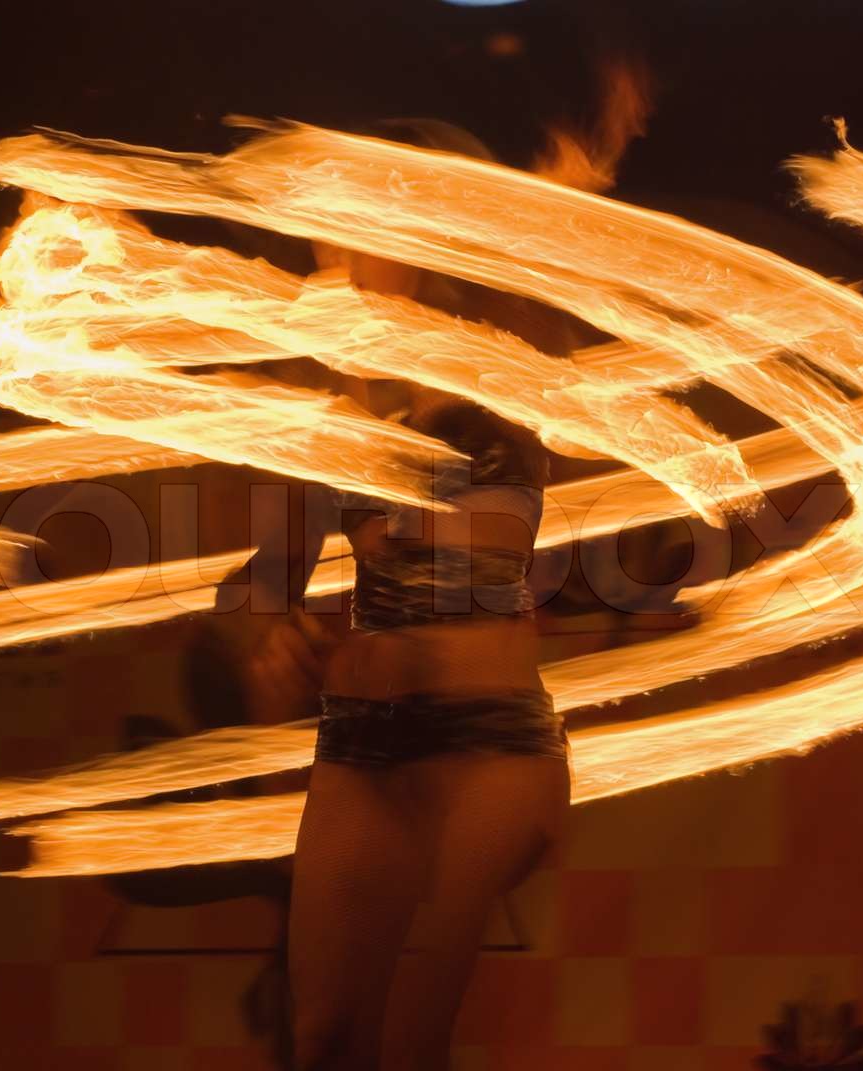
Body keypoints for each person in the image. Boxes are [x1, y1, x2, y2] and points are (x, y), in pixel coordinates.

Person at [230, 120, 575, 1071]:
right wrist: (273, 638)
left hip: (490, 736)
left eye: (358, 222)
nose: (337, 251)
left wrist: (548, 196)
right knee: (327, 1037)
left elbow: (551, 285)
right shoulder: (322, 404)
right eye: (332, 231)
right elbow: (263, 577)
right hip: (362, 745)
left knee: (417, 1036)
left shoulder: (505, 357)